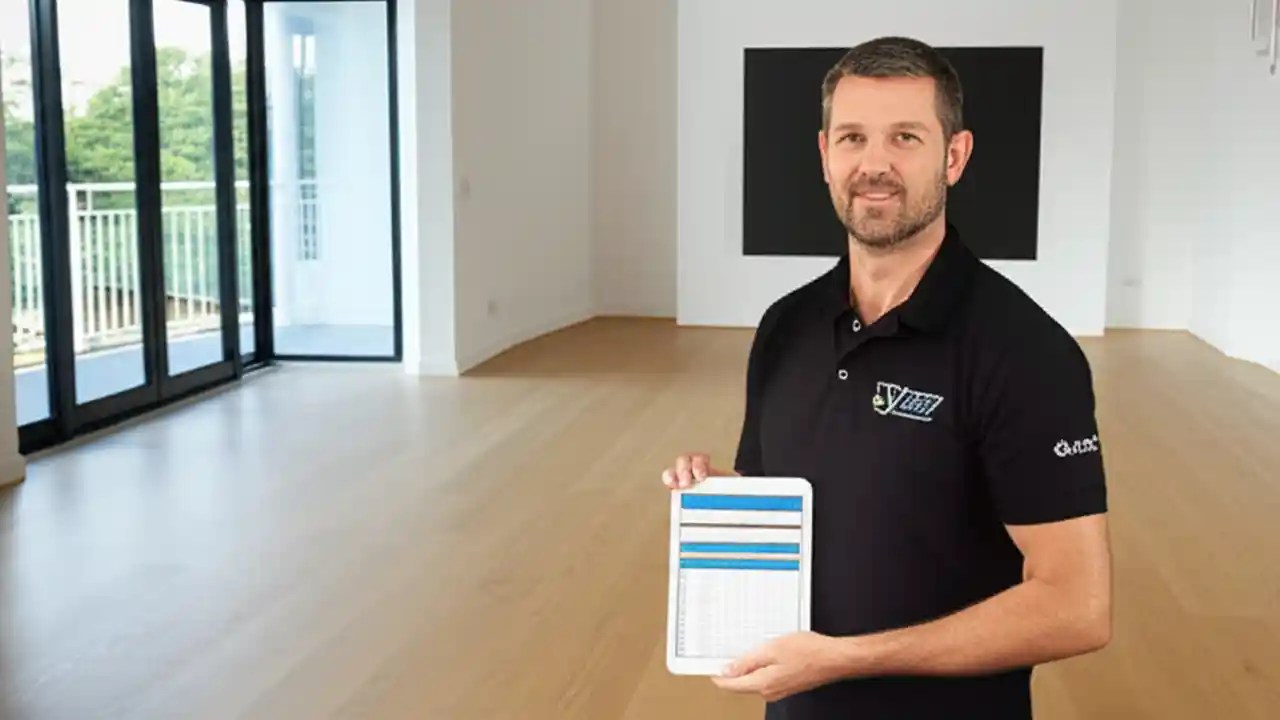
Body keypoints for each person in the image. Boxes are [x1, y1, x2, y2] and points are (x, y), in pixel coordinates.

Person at [661, 36, 1112, 719]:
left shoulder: (1024, 351)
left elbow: (1077, 606)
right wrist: (722, 500)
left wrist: (847, 659)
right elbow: (810, 502)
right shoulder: (785, 327)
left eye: (905, 137)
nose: (875, 164)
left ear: (954, 156)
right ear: (825, 155)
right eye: (853, 138)